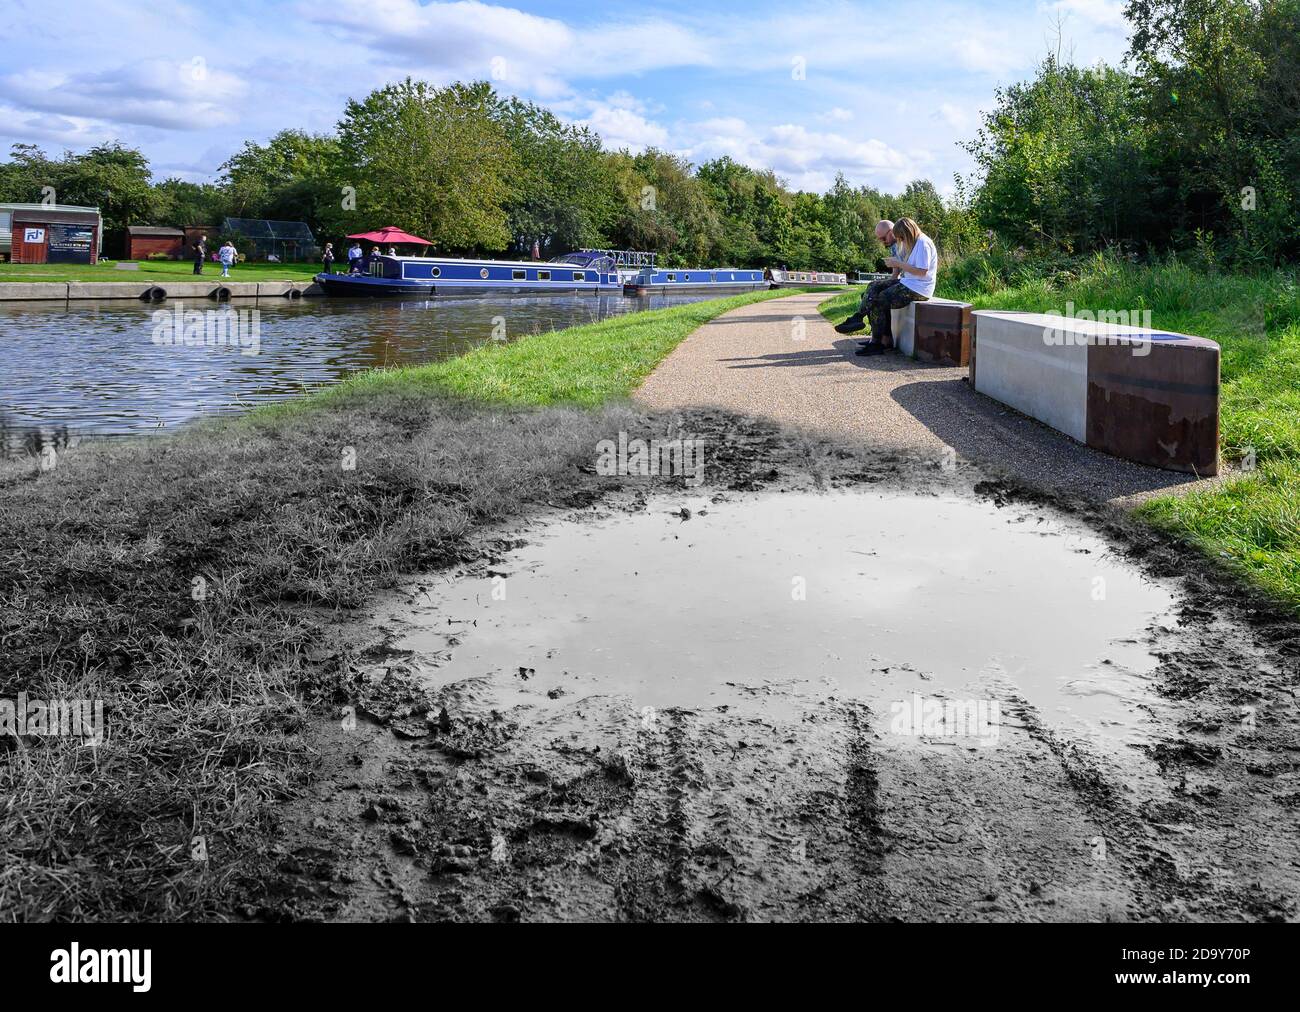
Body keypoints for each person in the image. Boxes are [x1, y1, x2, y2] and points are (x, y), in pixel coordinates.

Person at [837, 217, 938, 356]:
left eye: (901, 238)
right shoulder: (915, 242)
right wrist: (895, 268)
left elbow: (922, 271)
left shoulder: (923, 243)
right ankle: (859, 319)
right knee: (874, 286)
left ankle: (876, 343)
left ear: (907, 233)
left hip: (920, 288)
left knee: (879, 300)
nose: (901, 241)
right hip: (909, 283)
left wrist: (897, 263)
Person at [835, 220, 899, 337]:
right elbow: (896, 274)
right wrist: (883, 284)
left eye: (883, 239)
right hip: (902, 282)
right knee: (866, 295)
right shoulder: (893, 246)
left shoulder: (902, 244)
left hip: (910, 283)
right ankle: (876, 334)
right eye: (880, 240)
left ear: (891, 232)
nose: (883, 242)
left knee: (875, 297)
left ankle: (877, 335)